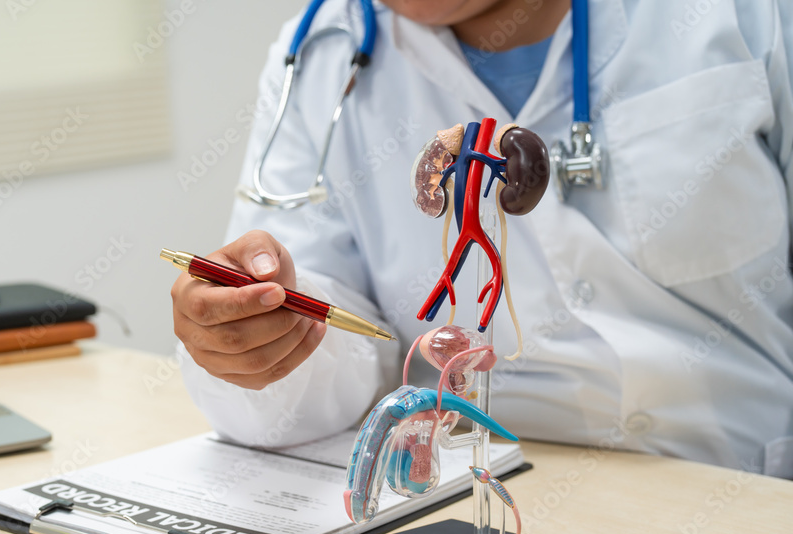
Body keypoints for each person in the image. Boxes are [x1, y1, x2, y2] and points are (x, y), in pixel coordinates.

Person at [171, 0, 793, 476]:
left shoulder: (744, 16)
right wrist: (257, 338)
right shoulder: (320, 54)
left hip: (749, 485)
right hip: (483, 489)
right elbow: (330, 338)